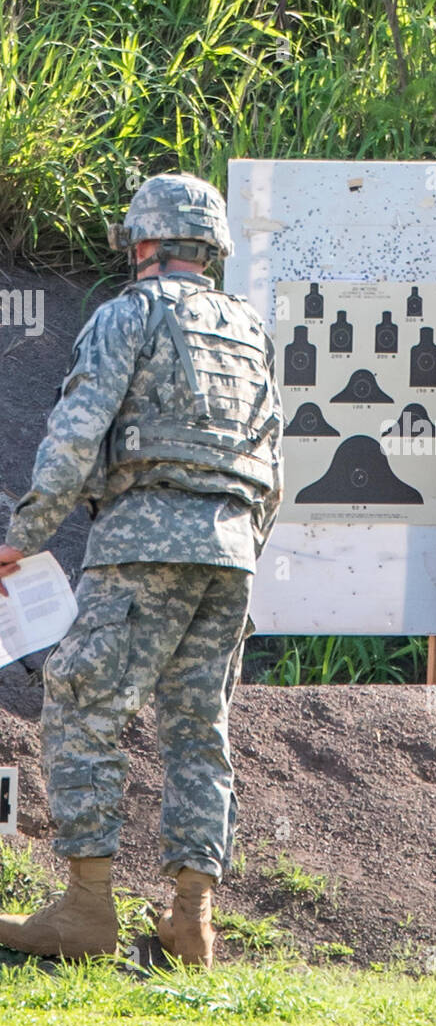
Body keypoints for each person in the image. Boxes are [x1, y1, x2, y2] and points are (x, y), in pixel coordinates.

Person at [0, 173, 284, 967]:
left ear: (143, 244)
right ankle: (191, 921)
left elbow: (75, 433)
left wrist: (25, 533)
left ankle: (87, 910)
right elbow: (275, 458)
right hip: (231, 552)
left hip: (140, 547)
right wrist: (239, 539)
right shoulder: (250, 330)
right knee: (201, 728)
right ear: (212, 248)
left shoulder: (128, 315)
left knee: (83, 701)